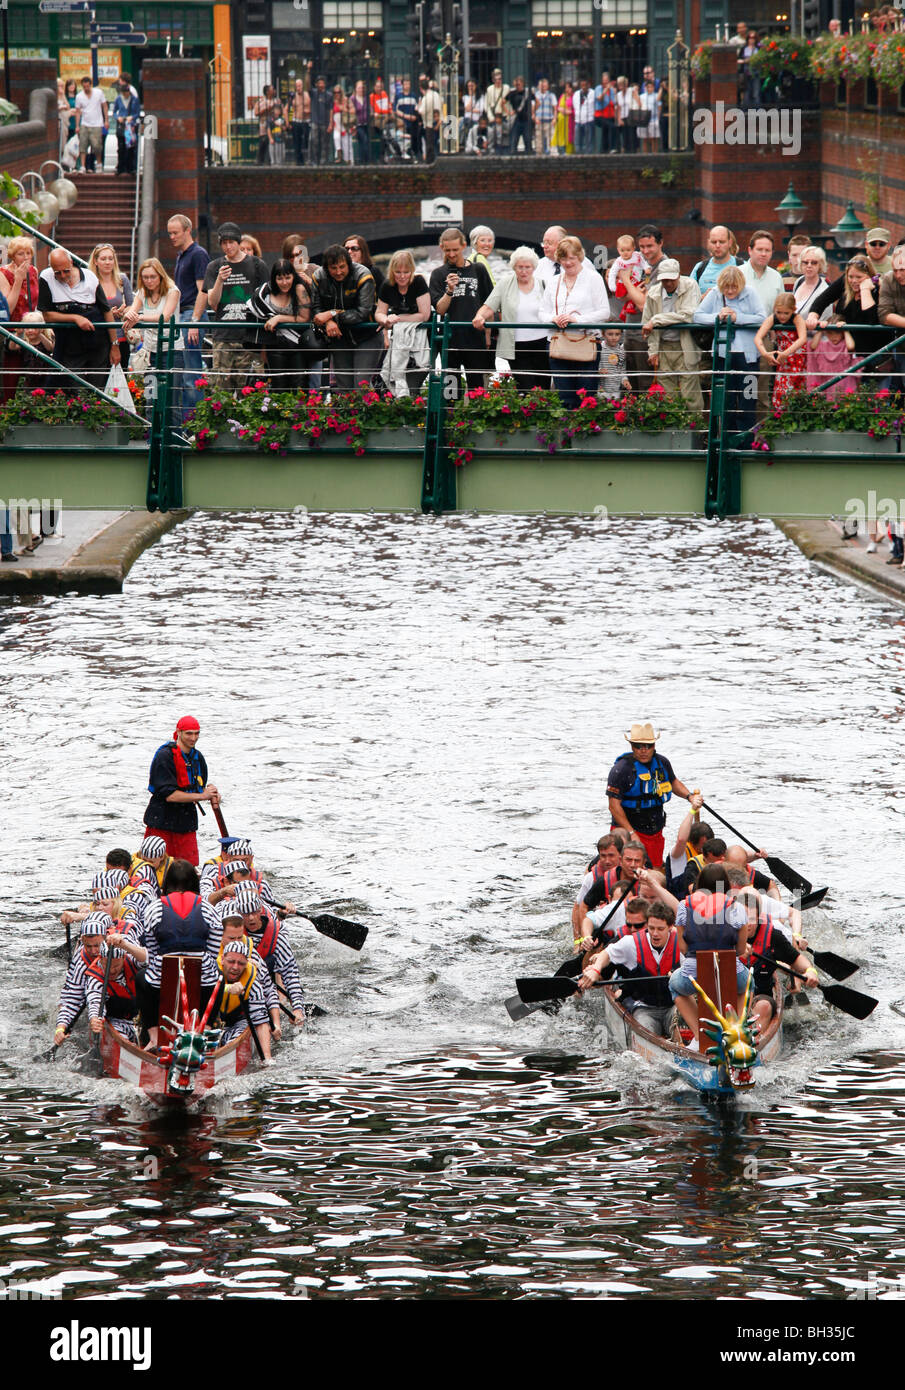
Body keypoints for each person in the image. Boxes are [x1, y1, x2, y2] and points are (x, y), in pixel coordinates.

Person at [665, 865, 751, 1048]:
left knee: (674, 985)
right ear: (726, 886)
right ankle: (736, 1030)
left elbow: (683, 948)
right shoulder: (736, 907)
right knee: (747, 985)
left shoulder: (684, 905)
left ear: (699, 884)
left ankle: (702, 1035)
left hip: (694, 973)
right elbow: (741, 950)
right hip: (730, 972)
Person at [580, 902, 683, 1037]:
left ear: (670, 927)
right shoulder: (631, 942)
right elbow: (607, 953)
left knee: (682, 1021)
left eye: (660, 929)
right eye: (651, 928)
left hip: (673, 1006)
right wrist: (596, 970)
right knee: (646, 1028)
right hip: (644, 1008)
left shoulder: (681, 943)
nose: (655, 934)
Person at [606, 722, 696, 870]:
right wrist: (631, 832)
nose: (643, 750)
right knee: (629, 869)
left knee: (654, 869)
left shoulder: (662, 763)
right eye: (638, 746)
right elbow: (613, 806)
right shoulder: (621, 770)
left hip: (654, 829)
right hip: (627, 829)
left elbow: (673, 782)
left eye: (648, 746)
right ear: (631, 746)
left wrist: (690, 796)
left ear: (654, 746)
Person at [194, 223, 269, 392]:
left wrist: (264, 345)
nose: (228, 247)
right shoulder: (214, 266)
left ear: (238, 241)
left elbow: (266, 302)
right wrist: (220, 279)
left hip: (250, 338)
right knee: (221, 392)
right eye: (224, 243)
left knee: (250, 392)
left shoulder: (257, 265)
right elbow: (213, 303)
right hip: (224, 337)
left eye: (231, 242)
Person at [693, 265, 765, 437]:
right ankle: (725, 441)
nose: (730, 291)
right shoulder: (716, 293)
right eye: (726, 287)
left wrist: (737, 318)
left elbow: (762, 317)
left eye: (734, 287)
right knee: (726, 400)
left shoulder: (750, 293)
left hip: (748, 357)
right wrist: (717, 316)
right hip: (722, 355)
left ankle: (746, 442)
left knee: (748, 398)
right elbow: (697, 315)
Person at [38, 247, 120, 390]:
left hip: (97, 340)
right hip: (70, 344)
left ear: (71, 263)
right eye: (57, 273)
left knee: (97, 387)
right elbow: (47, 315)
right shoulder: (46, 277)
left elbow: (106, 311)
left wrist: (114, 345)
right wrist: (75, 318)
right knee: (74, 387)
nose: (63, 276)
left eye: (66, 270)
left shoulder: (89, 276)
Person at [143, 715, 220, 865]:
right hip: (162, 822)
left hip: (185, 823)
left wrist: (211, 793)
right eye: (189, 733)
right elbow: (170, 796)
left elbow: (198, 787)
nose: (193, 738)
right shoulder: (164, 756)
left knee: (187, 868)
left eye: (196, 733)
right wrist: (203, 796)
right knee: (155, 866)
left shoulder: (198, 758)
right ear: (178, 732)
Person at [542, 235, 607, 408]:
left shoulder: (594, 278)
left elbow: (604, 312)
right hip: (558, 343)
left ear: (580, 256)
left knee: (586, 398)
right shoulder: (553, 281)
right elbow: (542, 311)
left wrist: (576, 320)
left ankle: (585, 431)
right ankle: (566, 433)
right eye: (563, 258)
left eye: (572, 258)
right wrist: (553, 318)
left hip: (587, 342)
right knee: (564, 397)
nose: (568, 262)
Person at [472, 246, 550, 392]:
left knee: (543, 386)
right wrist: (479, 316)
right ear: (514, 267)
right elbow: (489, 305)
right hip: (517, 345)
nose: (524, 271)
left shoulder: (543, 284)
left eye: (528, 267)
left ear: (534, 267)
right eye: (520, 267)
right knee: (526, 387)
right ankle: (527, 413)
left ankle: (541, 413)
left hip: (542, 343)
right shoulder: (505, 284)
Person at [429, 226, 495, 393]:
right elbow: (440, 310)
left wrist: (488, 335)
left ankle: (474, 418)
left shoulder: (478, 269)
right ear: (441, 248)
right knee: (451, 392)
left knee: (477, 389)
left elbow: (489, 304)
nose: (451, 254)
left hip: (475, 338)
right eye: (447, 250)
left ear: (464, 246)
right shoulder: (438, 274)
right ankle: (451, 416)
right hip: (450, 341)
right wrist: (449, 290)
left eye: (455, 250)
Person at [310, 243, 382, 391]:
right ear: (326, 268)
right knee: (344, 388)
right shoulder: (318, 277)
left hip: (367, 336)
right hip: (339, 337)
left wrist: (332, 314)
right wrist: (328, 322)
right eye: (333, 268)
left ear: (349, 264)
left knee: (361, 385)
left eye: (342, 267)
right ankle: (348, 414)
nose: (338, 272)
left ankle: (368, 412)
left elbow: (362, 312)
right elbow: (316, 309)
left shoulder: (363, 275)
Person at [641, 258, 704, 412]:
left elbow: (688, 315)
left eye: (671, 279)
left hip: (686, 346)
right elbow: (646, 323)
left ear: (678, 275)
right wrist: (653, 351)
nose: (668, 283)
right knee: (668, 395)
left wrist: (656, 320)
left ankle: (697, 432)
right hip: (663, 346)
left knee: (690, 393)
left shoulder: (690, 285)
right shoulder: (653, 293)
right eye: (664, 280)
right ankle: (674, 431)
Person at [249, 257, 312, 392]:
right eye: (280, 279)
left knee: (299, 383)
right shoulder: (265, 291)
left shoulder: (299, 289)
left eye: (288, 277)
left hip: (297, 343)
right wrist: (263, 349)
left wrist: (279, 318)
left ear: (293, 276)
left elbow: (304, 318)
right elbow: (259, 317)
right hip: (274, 344)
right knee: (278, 384)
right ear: (274, 279)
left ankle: (300, 413)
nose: (284, 282)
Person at [168, 214, 210, 417]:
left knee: (191, 372)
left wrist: (194, 320)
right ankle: (187, 421)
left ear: (187, 231)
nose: (172, 237)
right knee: (185, 371)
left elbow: (203, 290)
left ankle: (193, 423)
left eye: (175, 233)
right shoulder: (182, 255)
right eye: (169, 233)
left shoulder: (198, 254)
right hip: (183, 316)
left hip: (191, 315)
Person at [210, 933, 276, 1058]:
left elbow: (261, 1023)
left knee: (241, 1029)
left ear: (247, 963)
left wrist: (267, 1058)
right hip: (211, 1022)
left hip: (237, 1023)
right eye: (231, 962)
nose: (235, 967)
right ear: (223, 960)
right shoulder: (210, 973)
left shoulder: (253, 984)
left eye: (240, 963)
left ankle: (226, 1050)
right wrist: (228, 988)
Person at [376, 250, 431, 398]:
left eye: (406, 272)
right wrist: (386, 320)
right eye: (398, 272)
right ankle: (401, 398)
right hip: (398, 338)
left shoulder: (419, 282)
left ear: (412, 271)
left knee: (415, 378)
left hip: (421, 337)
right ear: (392, 271)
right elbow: (379, 312)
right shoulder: (387, 286)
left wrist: (398, 318)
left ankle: (410, 399)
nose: (402, 276)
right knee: (392, 372)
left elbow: (424, 315)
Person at [52, 911, 111, 1047]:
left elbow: (105, 916)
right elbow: (70, 1000)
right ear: (82, 941)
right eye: (88, 946)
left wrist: (80, 916)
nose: (93, 951)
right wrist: (61, 1028)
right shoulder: (80, 964)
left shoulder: (114, 946)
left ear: (105, 937)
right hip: (93, 991)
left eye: (97, 945)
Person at [123, 258, 181, 383]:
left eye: (153, 277)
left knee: (170, 394)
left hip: (171, 349)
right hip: (149, 350)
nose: (149, 281)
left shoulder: (173, 291)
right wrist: (129, 315)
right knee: (151, 394)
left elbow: (164, 317)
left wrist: (140, 317)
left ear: (160, 276)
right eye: (145, 277)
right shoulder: (142, 291)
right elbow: (132, 310)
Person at [86, 936, 146, 1044]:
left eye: (117, 965)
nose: (112, 970)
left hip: (142, 1020)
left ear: (123, 958)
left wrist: (125, 945)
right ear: (100, 959)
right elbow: (95, 1001)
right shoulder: (95, 978)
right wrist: (95, 1018)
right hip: (116, 1022)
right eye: (107, 965)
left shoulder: (132, 961)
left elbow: (146, 959)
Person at [0, 236, 39, 402]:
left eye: (28, 253)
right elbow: (7, 307)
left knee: (32, 379)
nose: (26, 257)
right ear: (12, 256)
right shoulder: (3, 274)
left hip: (32, 329)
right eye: (21, 254)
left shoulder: (34, 271)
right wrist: (18, 280)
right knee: (11, 379)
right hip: (13, 331)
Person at [755, 292, 806, 410]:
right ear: (774, 310)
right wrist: (765, 353)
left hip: (797, 358)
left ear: (793, 310)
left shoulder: (797, 318)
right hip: (782, 359)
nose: (782, 316)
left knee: (797, 388)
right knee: (780, 389)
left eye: (786, 313)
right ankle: (780, 416)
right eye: (779, 312)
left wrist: (786, 353)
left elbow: (802, 338)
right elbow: (758, 337)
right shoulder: (773, 318)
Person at [806, 315, 858, 399]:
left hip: (845, 383)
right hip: (828, 384)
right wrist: (821, 329)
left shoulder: (845, 343)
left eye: (837, 333)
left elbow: (851, 347)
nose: (834, 337)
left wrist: (845, 329)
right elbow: (813, 345)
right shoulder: (823, 345)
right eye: (830, 333)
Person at [691, 226, 738, 296]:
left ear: (730, 243)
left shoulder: (742, 266)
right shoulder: (699, 268)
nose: (718, 245)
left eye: (722, 242)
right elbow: (688, 300)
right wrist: (703, 299)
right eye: (714, 242)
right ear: (708, 243)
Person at [74, 75, 107, 173]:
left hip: (97, 123)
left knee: (97, 146)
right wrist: (77, 125)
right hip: (85, 123)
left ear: (90, 85)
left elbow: (104, 106)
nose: (86, 89)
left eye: (88, 86)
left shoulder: (99, 93)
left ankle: (99, 163)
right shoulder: (79, 96)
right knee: (83, 145)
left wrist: (106, 120)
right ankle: (83, 166)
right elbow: (78, 111)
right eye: (84, 87)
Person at [113, 77, 140, 175]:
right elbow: (114, 112)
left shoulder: (134, 100)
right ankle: (121, 167)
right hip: (121, 125)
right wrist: (118, 117)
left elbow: (137, 113)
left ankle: (130, 167)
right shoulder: (118, 99)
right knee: (121, 147)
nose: (125, 95)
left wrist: (132, 117)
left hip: (130, 125)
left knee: (131, 147)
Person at [792, 246, 829, 316]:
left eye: (814, 263)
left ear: (820, 265)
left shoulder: (824, 290)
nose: (809, 266)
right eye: (805, 262)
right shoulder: (799, 281)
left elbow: (826, 318)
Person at [288, 76, 312, 166]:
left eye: (300, 86)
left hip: (306, 121)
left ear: (303, 86)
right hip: (296, 120)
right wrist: (289, 122)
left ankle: (307, 159)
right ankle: (299, 161)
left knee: (306, 141)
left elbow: (312, 107)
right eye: (297, 86)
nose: (298, 88)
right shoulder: (293, 96)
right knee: (296, 142)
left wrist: (307, 111)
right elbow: (289, 109)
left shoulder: (307, 95)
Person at [418, 78, 442, 164]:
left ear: (421, 88)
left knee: (430, 144)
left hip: (429, 123)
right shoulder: (435, 94)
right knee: (437, 143)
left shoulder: (426, 98)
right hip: (438, 120)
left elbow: (422, 111)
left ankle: (430, 162)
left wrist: (418, 106)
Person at [309, 76, 331, 166]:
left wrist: (330, 124)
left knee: (324, 143)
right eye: (319, 83)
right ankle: (314, 160)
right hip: (315, 122)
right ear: (316, 84)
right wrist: (308, 71)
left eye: (322, 82)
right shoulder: (314, 93)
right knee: (314, 141)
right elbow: (307, 85)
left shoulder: (329, 95)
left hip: (324, 122)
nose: (321, 84)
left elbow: (331, 110)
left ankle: (323, 161)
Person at [508, 76, 532, 154]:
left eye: (520, 84)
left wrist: (532, 112)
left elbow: (537, 102)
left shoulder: (527, 93)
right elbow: (503, 102)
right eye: (517, 84)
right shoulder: (512, 93)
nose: (518, 85)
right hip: (516, 120)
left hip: (526, 119)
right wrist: (509, 112)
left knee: (527, 141)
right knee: (514, 141)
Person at [534, 77, 556, 155]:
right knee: (538, 141)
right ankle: (539, 156)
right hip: (539, 120)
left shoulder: (551, 95)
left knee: (551, 140)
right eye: (541, 85)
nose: (543, 87)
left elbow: (555, 108)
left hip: (549, 120)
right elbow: (532, 108)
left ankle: (553, 155)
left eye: (544, 85)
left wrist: (554, 118)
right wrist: (535, 118)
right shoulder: (535, 95)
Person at [573, 78, 595, 154]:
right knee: (578, 142)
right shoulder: (576, 94)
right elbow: (575, 105)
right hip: (578, 121)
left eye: (585, 85)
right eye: (582, 85)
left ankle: (588, 157)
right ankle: (578, 155)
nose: (584, 87)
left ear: (588, 85)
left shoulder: (592, 93)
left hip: (588, 120)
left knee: (588, 142)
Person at [553, 81, 574, 156]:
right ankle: (561, 153)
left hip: (569, 122)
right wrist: (565, 110)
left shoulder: (573, 97)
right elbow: (558, 107)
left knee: (568, 138)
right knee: (560, 138)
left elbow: (571, 111)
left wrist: (564, 110)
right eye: (566, 88)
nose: (567, 89)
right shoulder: (563, 96)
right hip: (561, 122)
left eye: (569, 87)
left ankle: (568, 154)